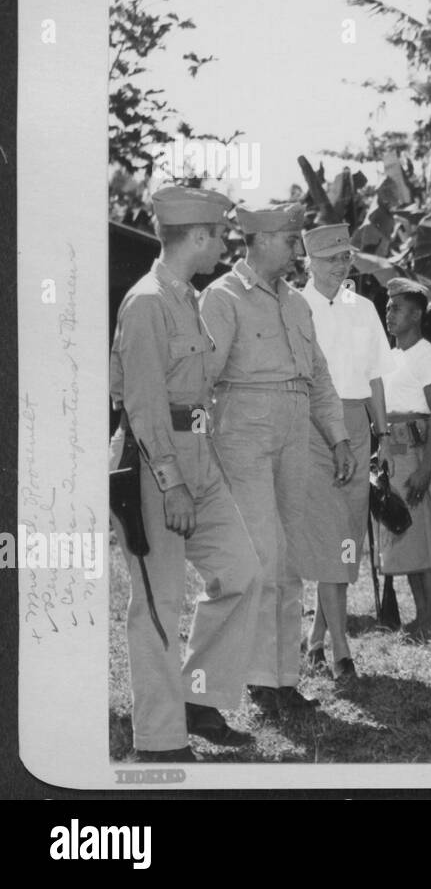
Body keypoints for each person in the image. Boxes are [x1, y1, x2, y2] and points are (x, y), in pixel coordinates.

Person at [109, 186, 262, 761]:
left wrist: (193, 471)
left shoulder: (186, 297)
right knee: (157, 605)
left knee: (242, 571)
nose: (225, 244)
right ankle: (158, 741)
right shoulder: (147, 302)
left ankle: (198, 696)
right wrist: (172, 481)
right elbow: (144, 404)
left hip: (199, 461)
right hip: (154, 469)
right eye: (220, 234)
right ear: (197, 237)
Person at [199, 203, 356, 717]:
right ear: (260, 240)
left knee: (287, 559)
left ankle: (283, 679)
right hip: (244, 430)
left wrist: (337, 439)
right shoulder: (222, 298)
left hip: (293, 430)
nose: (297, 248)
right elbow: (201, 379)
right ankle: (260, 680)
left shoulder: (294, 303)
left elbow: (320, 377)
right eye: (290, 239)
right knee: (263, 556)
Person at [298, 224, 396, 683]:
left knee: (346, 536)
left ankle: (315, 640)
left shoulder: (366, 309)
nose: (341, 266)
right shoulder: (295, 306)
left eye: (345, 258)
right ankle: (341, 651)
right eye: (331, 258)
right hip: (313, 427)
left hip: (357, 424)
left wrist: (384, 434)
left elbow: (376, 375)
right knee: (328, 532)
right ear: (310, 262)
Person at [381, 277, 431, 640]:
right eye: (388, 306)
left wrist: (426, 468)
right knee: (405, 533)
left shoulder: (427, 354)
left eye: (397, 308)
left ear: (417, 314)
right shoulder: (391, 355)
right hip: (393, 455)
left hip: (418, 453)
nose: (389, 313)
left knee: (429, 536)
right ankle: (422, 616)